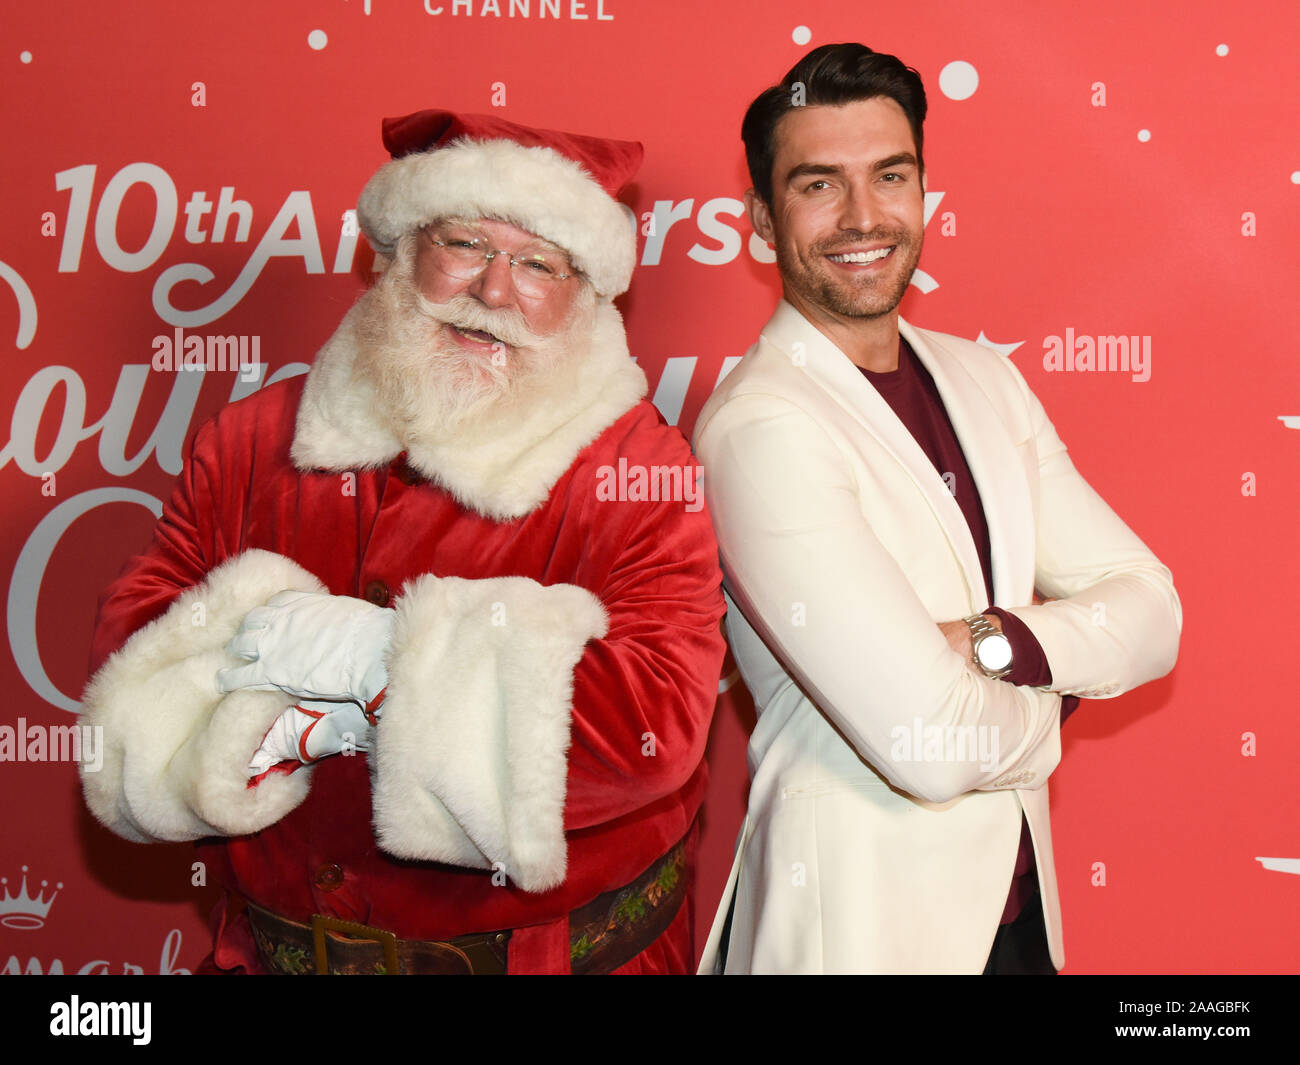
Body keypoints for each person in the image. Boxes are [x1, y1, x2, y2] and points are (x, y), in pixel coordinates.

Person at [80, 109, 726, 975]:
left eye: (538, 264)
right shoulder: (252, 439)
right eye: (464, 244)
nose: (495, 293)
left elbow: (654, 724)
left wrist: (375, 665)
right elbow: (134, 652)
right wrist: (298, 674)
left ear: (585, 294)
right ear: (398, 250)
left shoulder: (638, 470)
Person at [693, 44, 1181, 974]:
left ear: (925, 191)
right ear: (761, 219)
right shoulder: (759, 428)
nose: (863, 216)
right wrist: (1057, 698)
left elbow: (1154, 609)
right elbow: (931, 748)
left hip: (1020, 915)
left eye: (890, 175)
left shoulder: (983, 376)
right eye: (818, 185)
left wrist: (993, 641)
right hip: (863, 933)